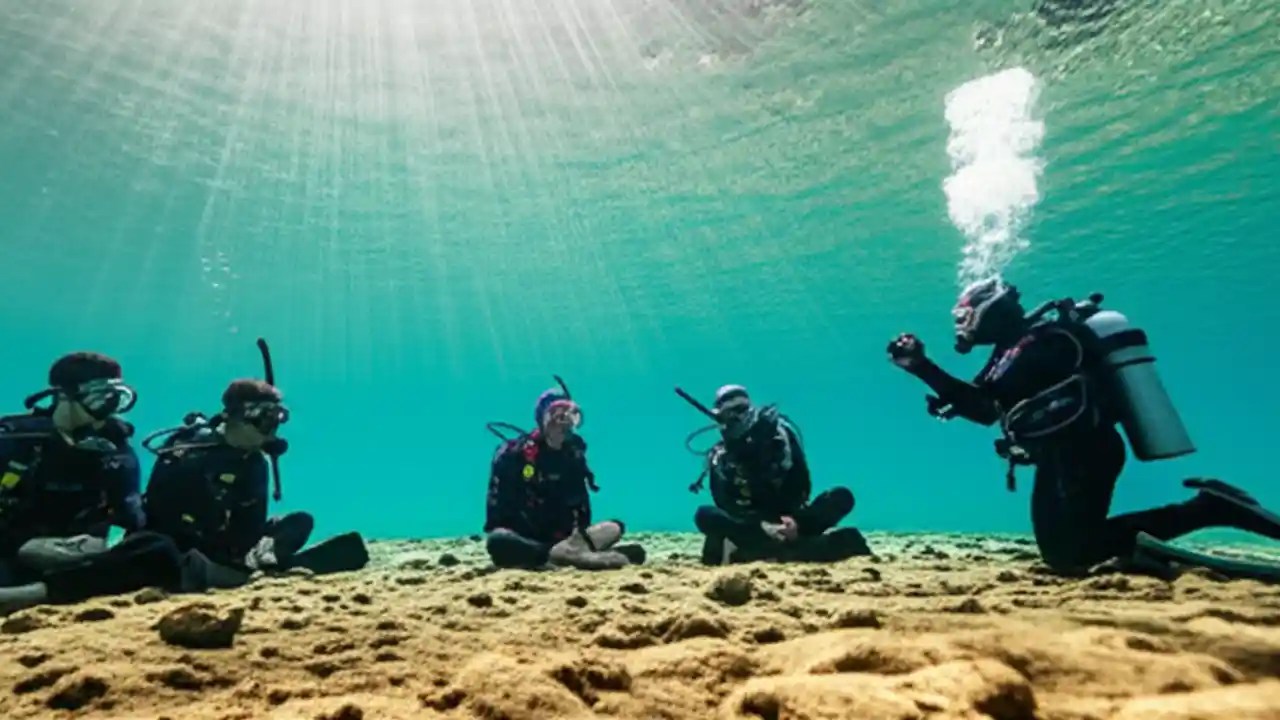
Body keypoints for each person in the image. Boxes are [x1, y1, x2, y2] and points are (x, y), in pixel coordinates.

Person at [887, 278, 1280, 575]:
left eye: (964, 315)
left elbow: (985, 406)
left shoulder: (1043, 340)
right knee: (1065, 554)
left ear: (990, 308)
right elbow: (984, 404)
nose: (962, 325)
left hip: (1084, 454)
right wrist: (941, 388)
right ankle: (1152, 543)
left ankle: (1211, 508)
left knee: (1071, 552)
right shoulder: (1005, 355)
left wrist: (922, 367)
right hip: (1061, 459)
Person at [0, 352, 187, 614]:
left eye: (116, 400)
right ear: (63, 395)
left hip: (76, 558)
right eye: (99, 399)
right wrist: (21, 544)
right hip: (12, 552)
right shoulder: (13, 440)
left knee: (159, 550)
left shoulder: (118, 452)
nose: (106, 413)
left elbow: (129, 518)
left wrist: (102, 542)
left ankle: (35, 594)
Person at [142, 378, 368, 589]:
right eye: (266, 417)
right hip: (179, 546)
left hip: (229, 551)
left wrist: (257, 546)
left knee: (300, 521)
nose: (272, 429)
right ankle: (239, 572)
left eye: (277, 418)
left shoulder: (255, 463)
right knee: (161, 550)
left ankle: (253, 566)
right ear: (238, 415)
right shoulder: (191, 451)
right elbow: (159, 513)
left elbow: (251, 524)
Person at [680, 385, 871, 565]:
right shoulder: (720, 455)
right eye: (731, 412)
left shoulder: (781, 436)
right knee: (704, 515)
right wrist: (762, 527)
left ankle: (773, 550)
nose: (738, 417)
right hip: (752, 527)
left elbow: (801, 482)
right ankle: (791, 549)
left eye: (742, 409)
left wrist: (794, 523)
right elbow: (723, 502)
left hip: (792, 520)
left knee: (841, 496)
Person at [484, 379, 646, 570]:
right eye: (554, 414)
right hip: (526, 538)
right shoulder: (513, 454)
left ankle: (567, 556)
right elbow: (496, 512)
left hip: (569, 540)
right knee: (498, 541)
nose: (561, 422)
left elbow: (582, 506)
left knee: (615, 527)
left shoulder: (574, 456)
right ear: (541, 419)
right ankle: (559, 557)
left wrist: (579, 537)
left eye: (569, 415)